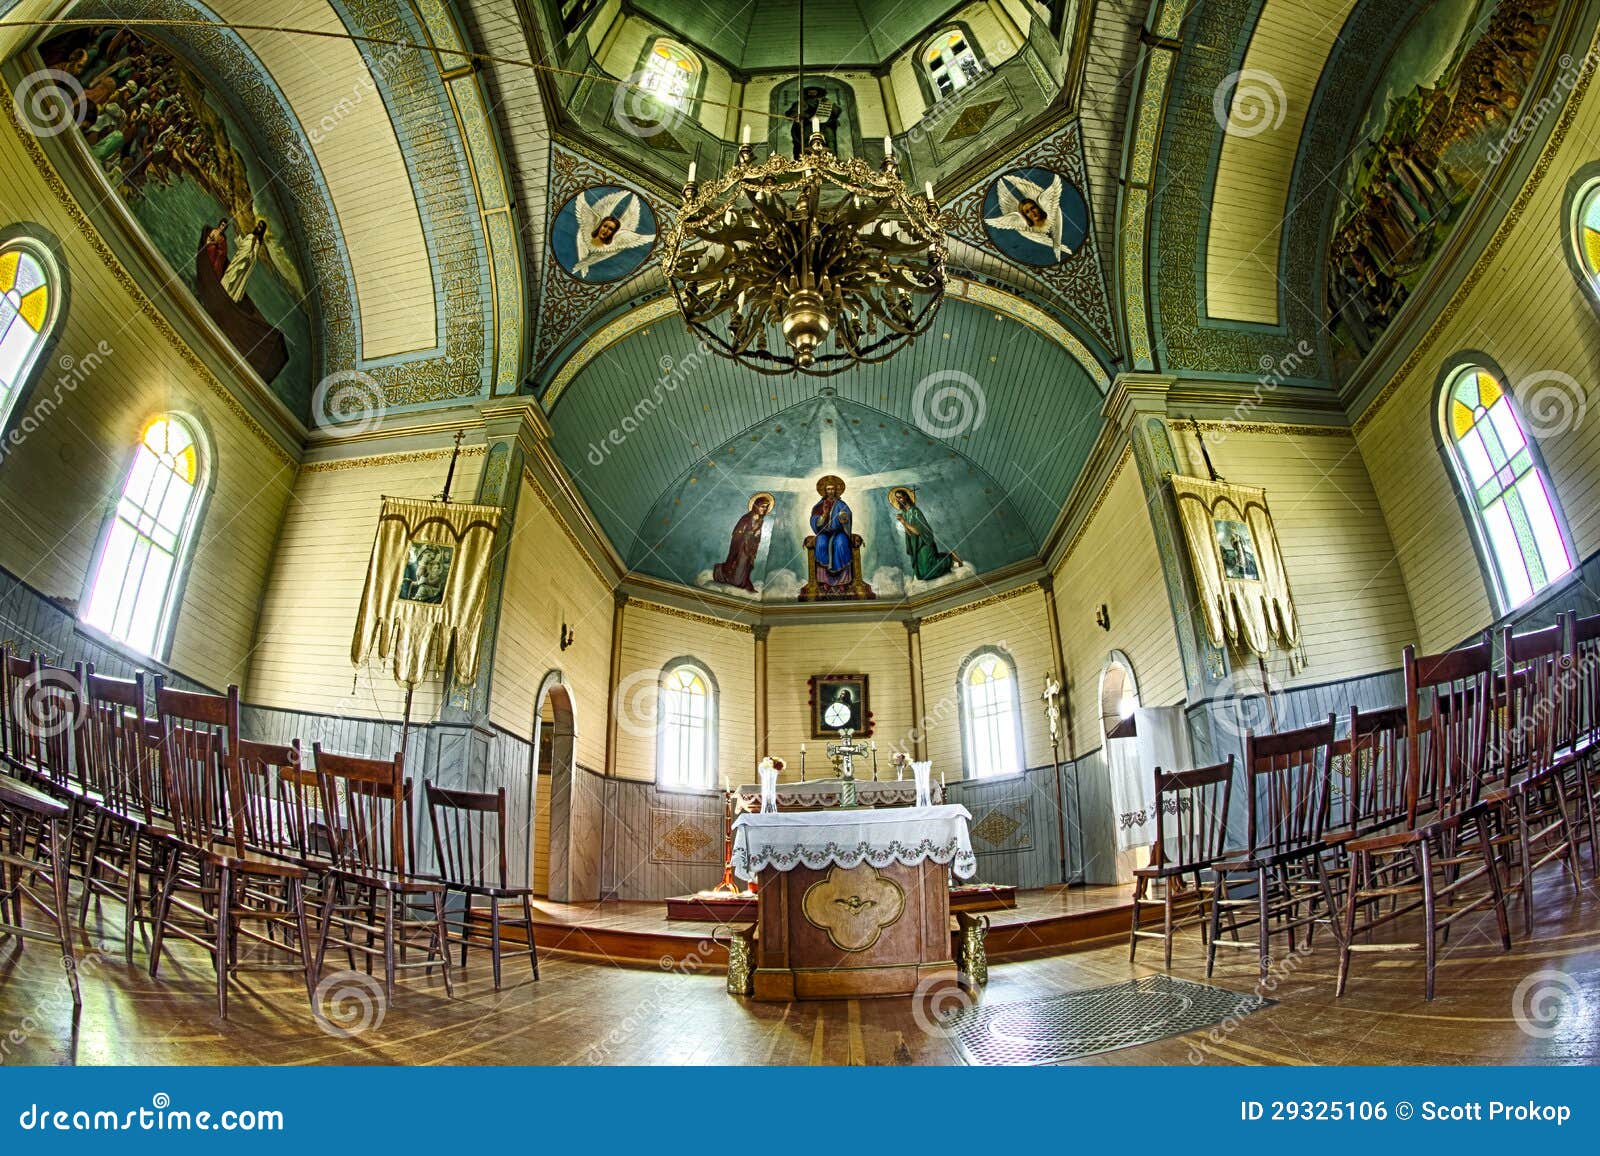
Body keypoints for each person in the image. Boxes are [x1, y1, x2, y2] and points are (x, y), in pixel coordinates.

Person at [890, 487, 958, 581]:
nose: (898, 500)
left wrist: (904, 521)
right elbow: (909, 533)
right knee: (921, 575)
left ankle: (949, 558)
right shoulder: (905, 513)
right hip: (916, 545)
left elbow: (917, 531)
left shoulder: (915, 512)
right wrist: (903, 522)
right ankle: (942, 557)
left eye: (900, 497)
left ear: (906, 497)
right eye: (896, 498)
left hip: (924, 542)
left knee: (927, 572)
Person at [711, 493, 772, 592]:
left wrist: (755, 536)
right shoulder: (746, 518)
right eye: (763, 506)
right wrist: (752, 532)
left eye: (766, 507)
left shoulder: (760, 521)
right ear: (756, 506)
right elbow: (737, 533)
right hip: (741, 547)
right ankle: (720, 571)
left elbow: (757, 536)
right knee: (738, 568)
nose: (764, 509)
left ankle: (743, 582)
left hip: (750, 548)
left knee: (746, 568)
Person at [809, 475, 855, 591]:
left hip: (839, 532)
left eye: (832, 489)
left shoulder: (841, 504)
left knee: (841, 544)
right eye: (828, 489)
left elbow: (847, 516)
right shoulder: (820, 505)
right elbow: (814, 520)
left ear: (836, 490)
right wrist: (823, 515)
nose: (830, 491)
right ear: (825, 491)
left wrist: (844, 518)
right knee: (821, 544)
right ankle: (825, 581)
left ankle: (842, 581)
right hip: (824, 533)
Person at [222, 219, 267, 303]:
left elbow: (253, 259)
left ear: (262, 231)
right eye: (258, 225)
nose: (258, 228)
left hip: (242, 265)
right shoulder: (250, 236)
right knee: (229, 274)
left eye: (260, 227)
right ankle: (222, 287)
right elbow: (241, 245)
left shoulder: (257, 243)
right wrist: (238, 233)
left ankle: (227, 295)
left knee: (234, 279)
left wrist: (253, 245)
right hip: (237, 259)